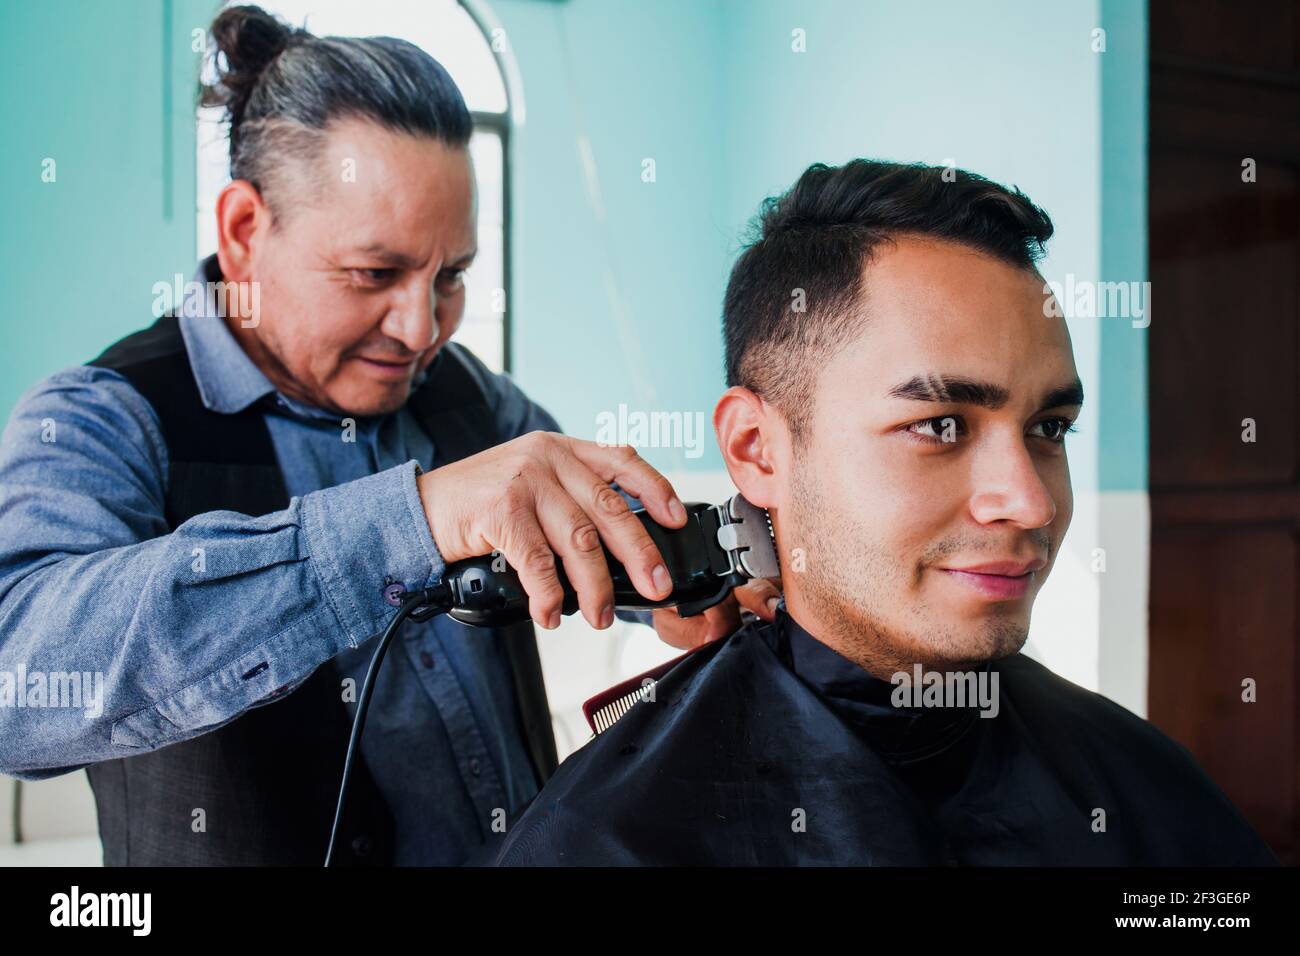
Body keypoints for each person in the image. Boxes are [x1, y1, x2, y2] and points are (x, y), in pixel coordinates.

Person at [0, 5, 777, 866]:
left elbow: (595, 542)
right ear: (244, 231)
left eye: (451, 277)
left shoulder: (470, 399)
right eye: (375, 273)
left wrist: (677, 587)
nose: (422, 330)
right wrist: (416, 518)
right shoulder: (100, 415)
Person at [485, 159, 1279, 865]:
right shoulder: (610, 837)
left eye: (1048, 429)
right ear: (758, 448)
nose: (1031, 501)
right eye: (939, 426)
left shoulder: (1144, 788)